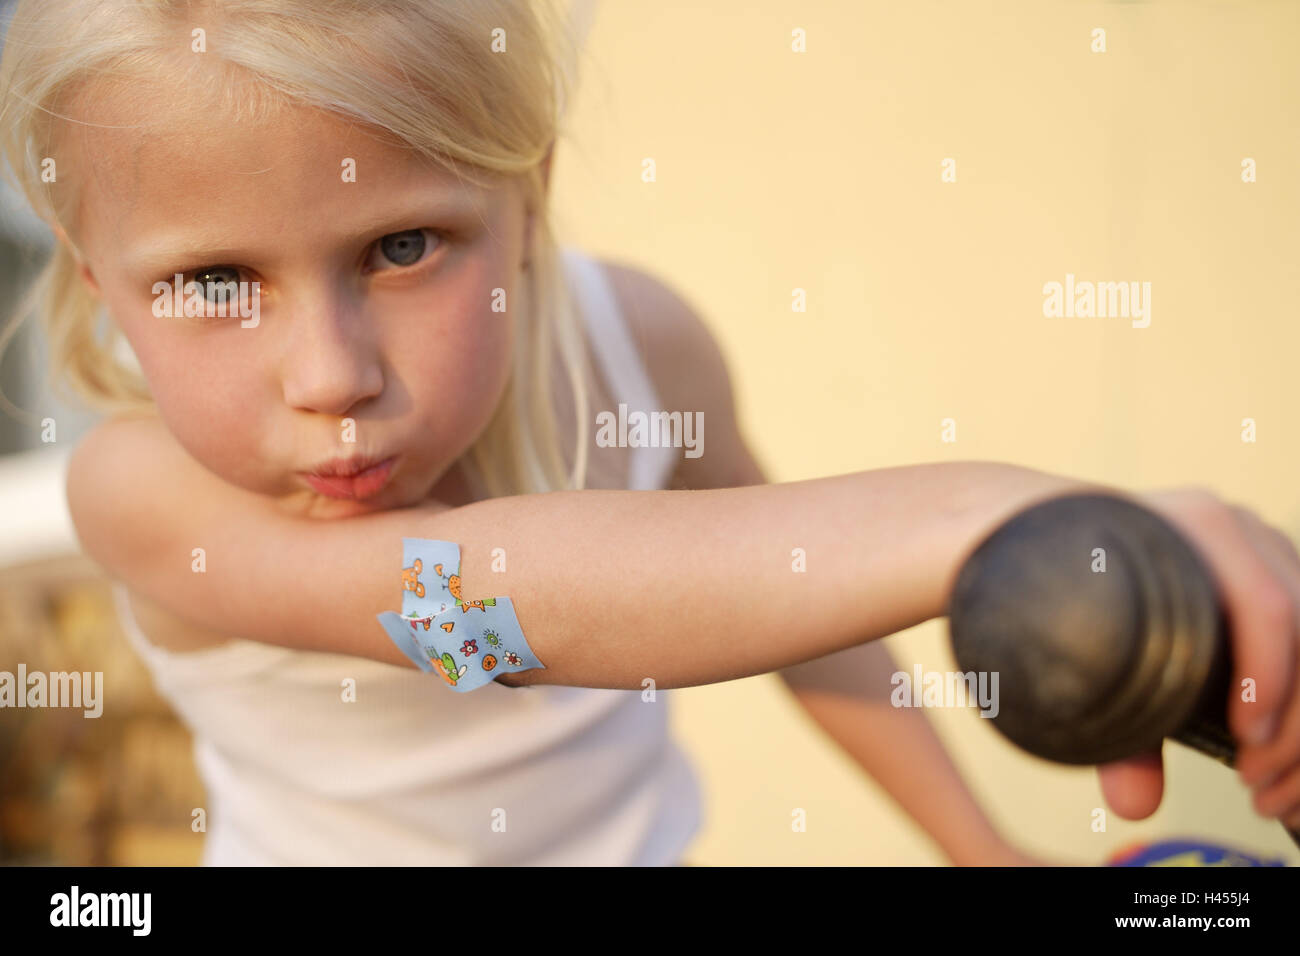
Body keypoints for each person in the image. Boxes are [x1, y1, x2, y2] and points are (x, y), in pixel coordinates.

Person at [2, 0, 1297, 866]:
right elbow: (493, 609)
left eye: (402, 247)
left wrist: (985, 852)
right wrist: (999, 520)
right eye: (215, 283)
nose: (332, 376)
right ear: (95, 275)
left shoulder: (640, 349)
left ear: (527, 198)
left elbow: (812, 617)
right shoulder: (144, 491)